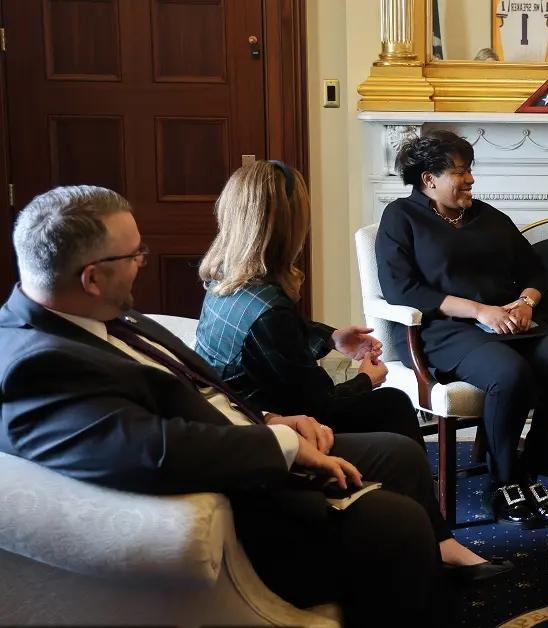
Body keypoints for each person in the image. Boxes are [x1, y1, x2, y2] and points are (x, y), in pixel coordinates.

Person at [0, 186, 503, 627]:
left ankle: (429, 571)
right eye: (135, 255)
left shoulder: (95, 313)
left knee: (399, 454)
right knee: (398, 524)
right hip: (241, 496)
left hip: (251, 434)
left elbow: (198, 385)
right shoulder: (37, 367)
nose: (141, 264)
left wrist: (270, 418)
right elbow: (151, 451)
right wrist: (281, 445)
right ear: (91, 277)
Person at [376, 130, 548, 529]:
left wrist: (525, 303)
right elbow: (402, 288)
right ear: (428, 179)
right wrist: (479, 311)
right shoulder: (401, 218)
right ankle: (505, 483)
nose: (470, 179)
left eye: (469, 170)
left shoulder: (488, 217)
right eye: (459, 172)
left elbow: (534, 270)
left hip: (510, 323)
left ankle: (532, 468)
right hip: (444, 329)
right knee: (510, 375)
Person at [193, 161, 418, 446]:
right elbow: (319, 406)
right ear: (290, 225)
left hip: (237, 409)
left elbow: (268, 339)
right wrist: (365, 380)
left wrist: (331, 338)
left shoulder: (224, 277)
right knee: (392, 403)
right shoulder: (271, 310)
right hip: (266, 428)